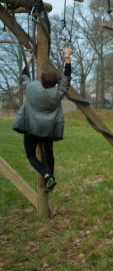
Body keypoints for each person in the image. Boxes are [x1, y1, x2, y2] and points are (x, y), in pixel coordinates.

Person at [12, 47, 72, 192]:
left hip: (31, 129)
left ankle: (45, 175)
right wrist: (67, 56)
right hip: (48, 130)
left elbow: (24, 76)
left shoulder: (31, 87)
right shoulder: (58, 93)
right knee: (49, 153)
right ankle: (51, 177)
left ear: (41, 80)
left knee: (31, 155)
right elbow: (66, 77)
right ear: (54, 83)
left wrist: (29, 59)